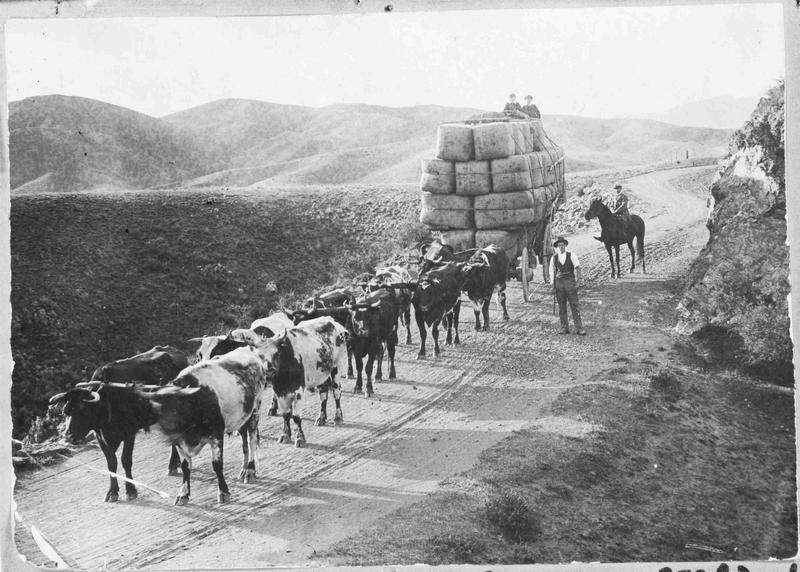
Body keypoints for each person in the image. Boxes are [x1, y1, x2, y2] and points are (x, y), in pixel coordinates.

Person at [549, 236, 586, 335]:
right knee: (561, 306)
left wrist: (578, 282)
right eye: (559, 246)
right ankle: (564, 327)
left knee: (574, 305)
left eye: (562, 245)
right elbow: (552, 272)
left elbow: (578, 268)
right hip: (559, 283)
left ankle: (579, 328)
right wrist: (553, 285)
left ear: (565, 245)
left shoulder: (572, 255)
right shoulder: (554, 258)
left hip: (569, 282)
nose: (561, 247)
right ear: (557, 247)